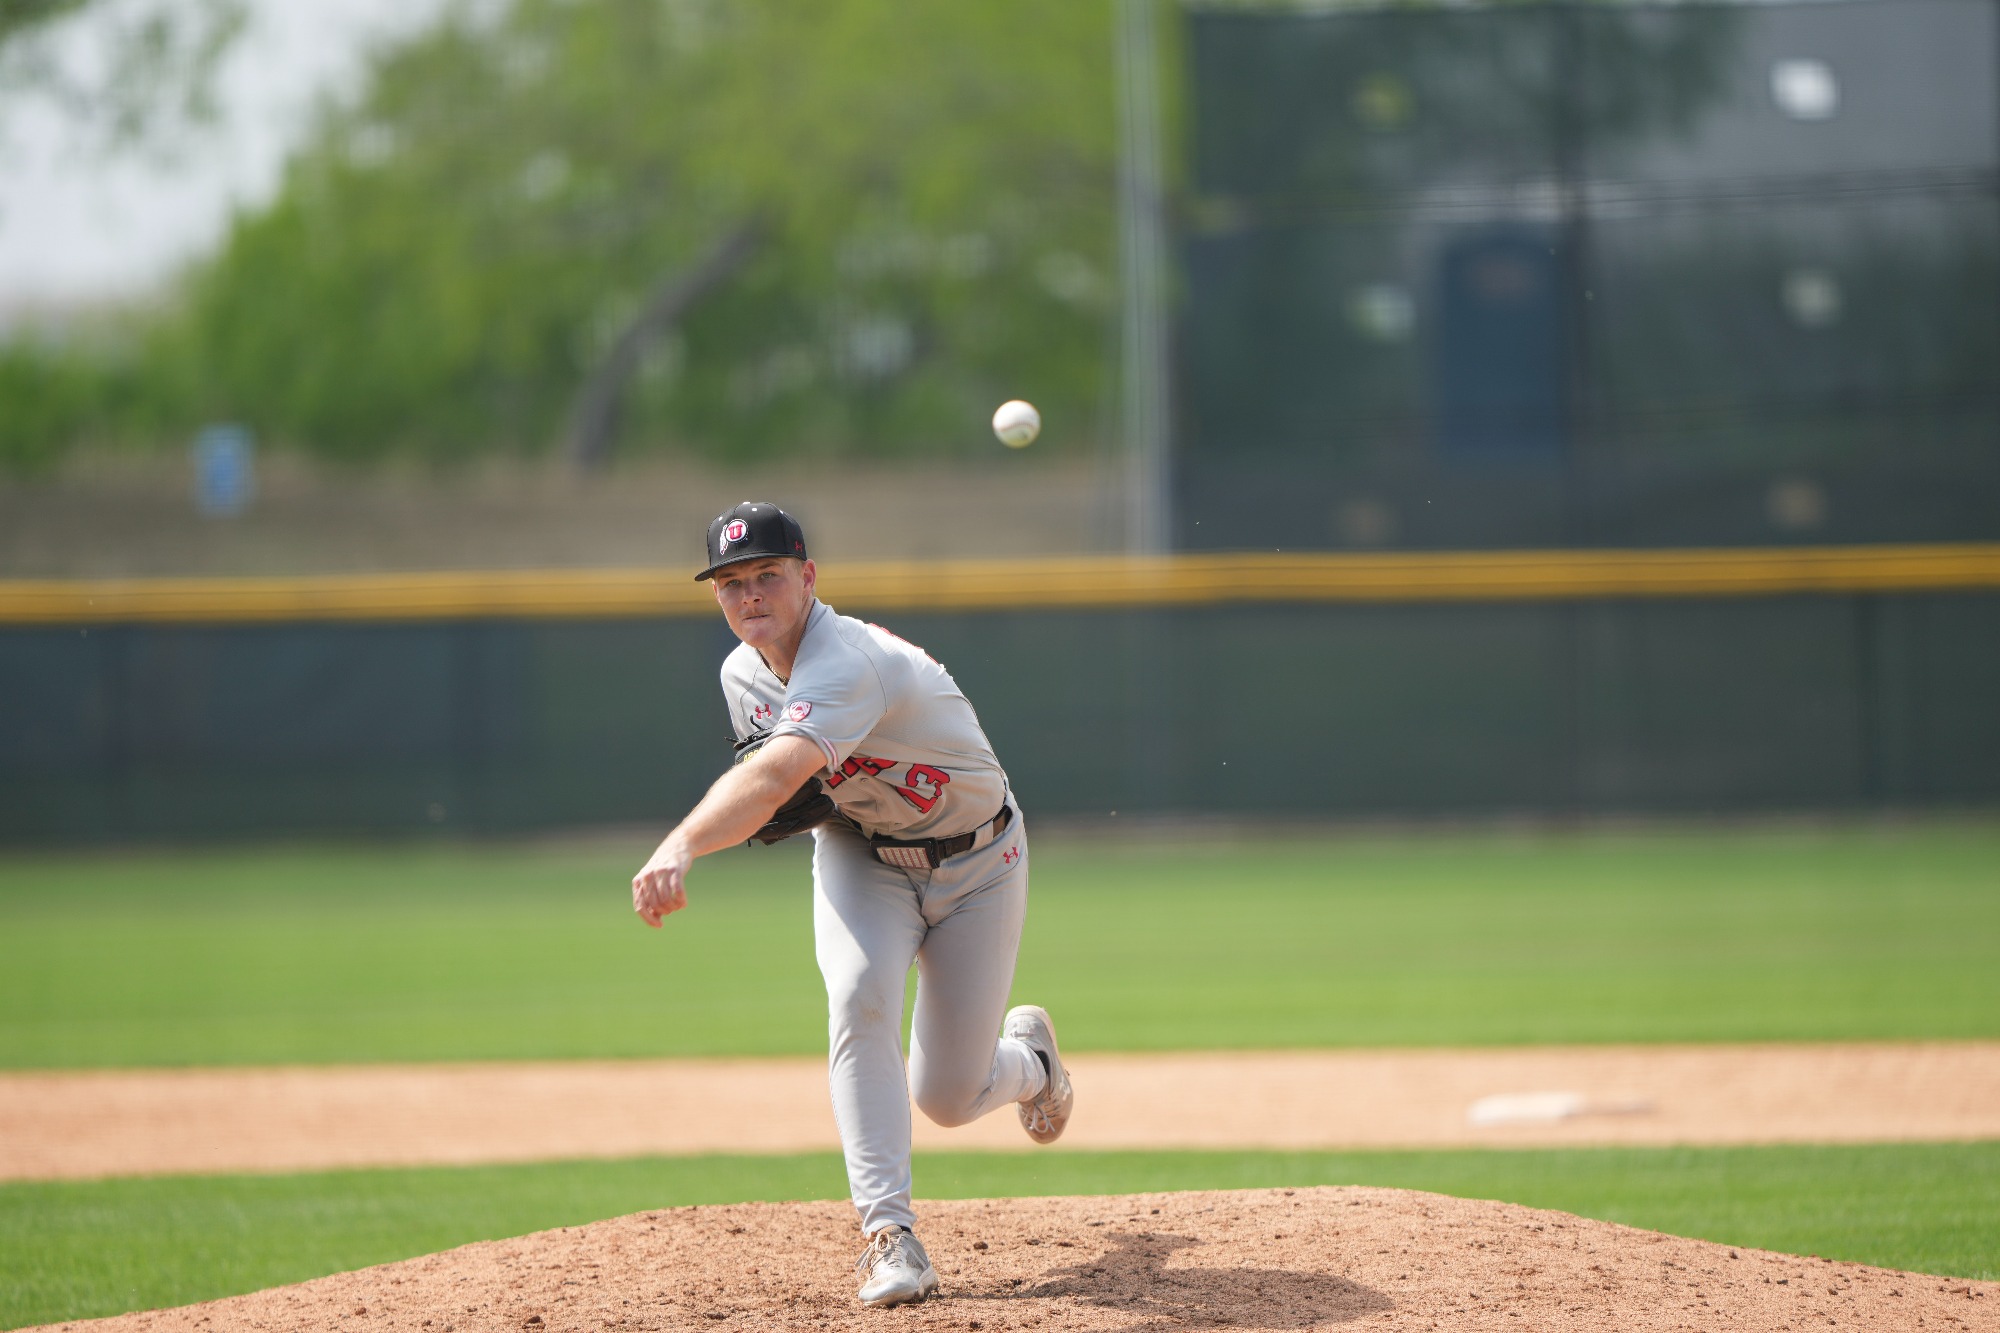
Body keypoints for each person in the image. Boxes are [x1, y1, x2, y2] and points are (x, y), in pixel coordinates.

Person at [631, 500, 1074, 1309]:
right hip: (861, 855)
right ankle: (888, 1234)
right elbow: (802, 798)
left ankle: (1033, 1065)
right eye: (730, 582)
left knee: (946, 1094)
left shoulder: (851, 659)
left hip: (979, 860)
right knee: (858, 996)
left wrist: (681, 842)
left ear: (808, 577)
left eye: (767, 573)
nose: (750, 594)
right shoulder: (742, 672)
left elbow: (772, 779)